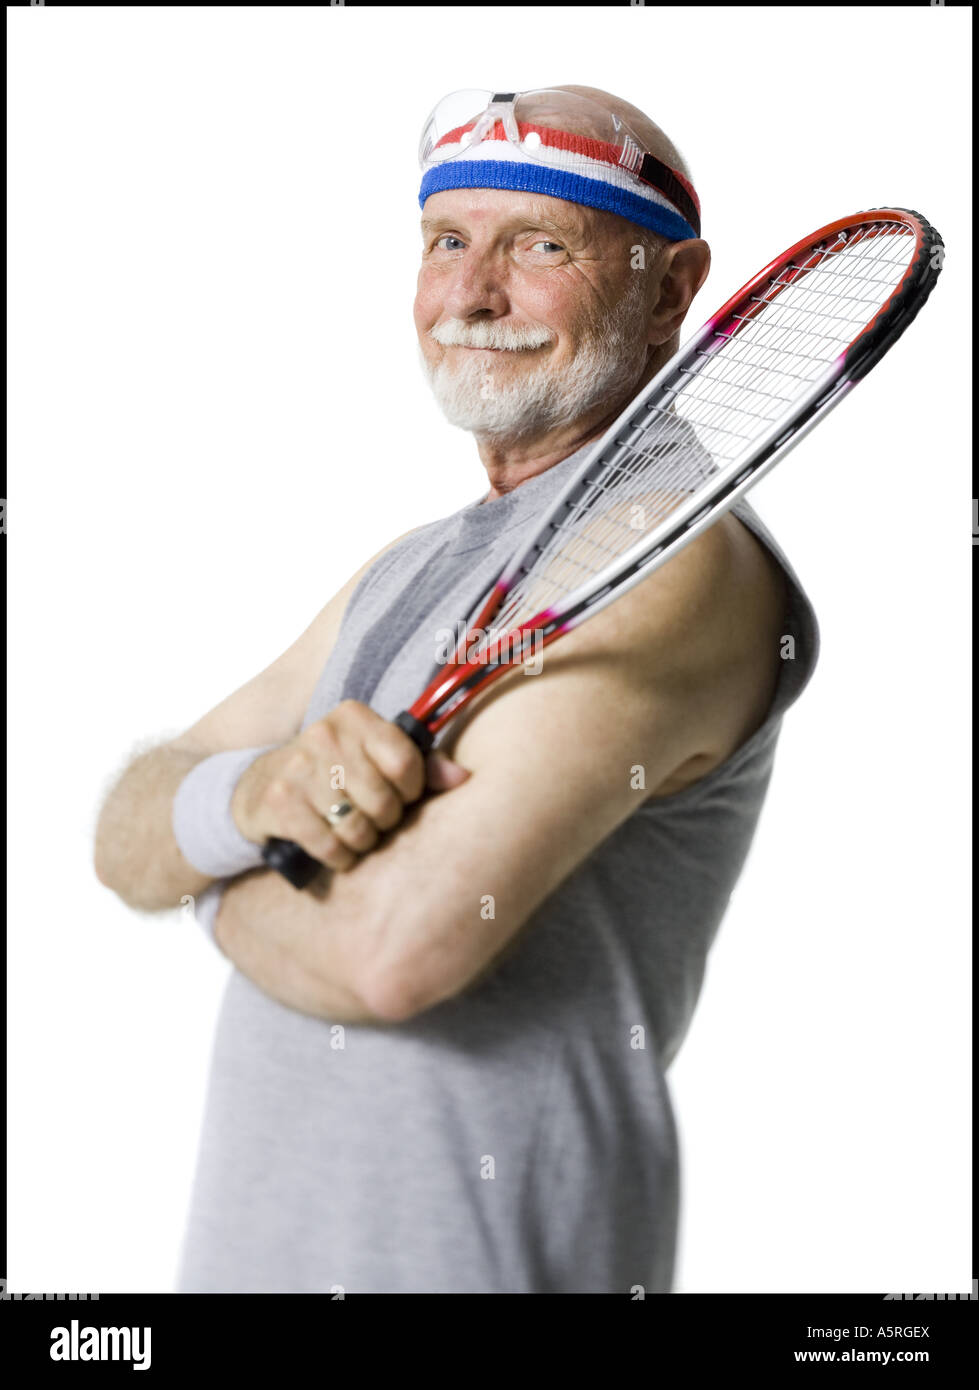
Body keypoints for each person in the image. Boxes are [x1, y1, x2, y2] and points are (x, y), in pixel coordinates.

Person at [94, 85, 819, 1293]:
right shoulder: (413, 564)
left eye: (539, 246)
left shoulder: (668, 561)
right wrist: (253, 795)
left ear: (672, 288)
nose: (473, 295)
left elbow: (391, 957)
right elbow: (122, 828)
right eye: (447, 242)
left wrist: (216, 863)